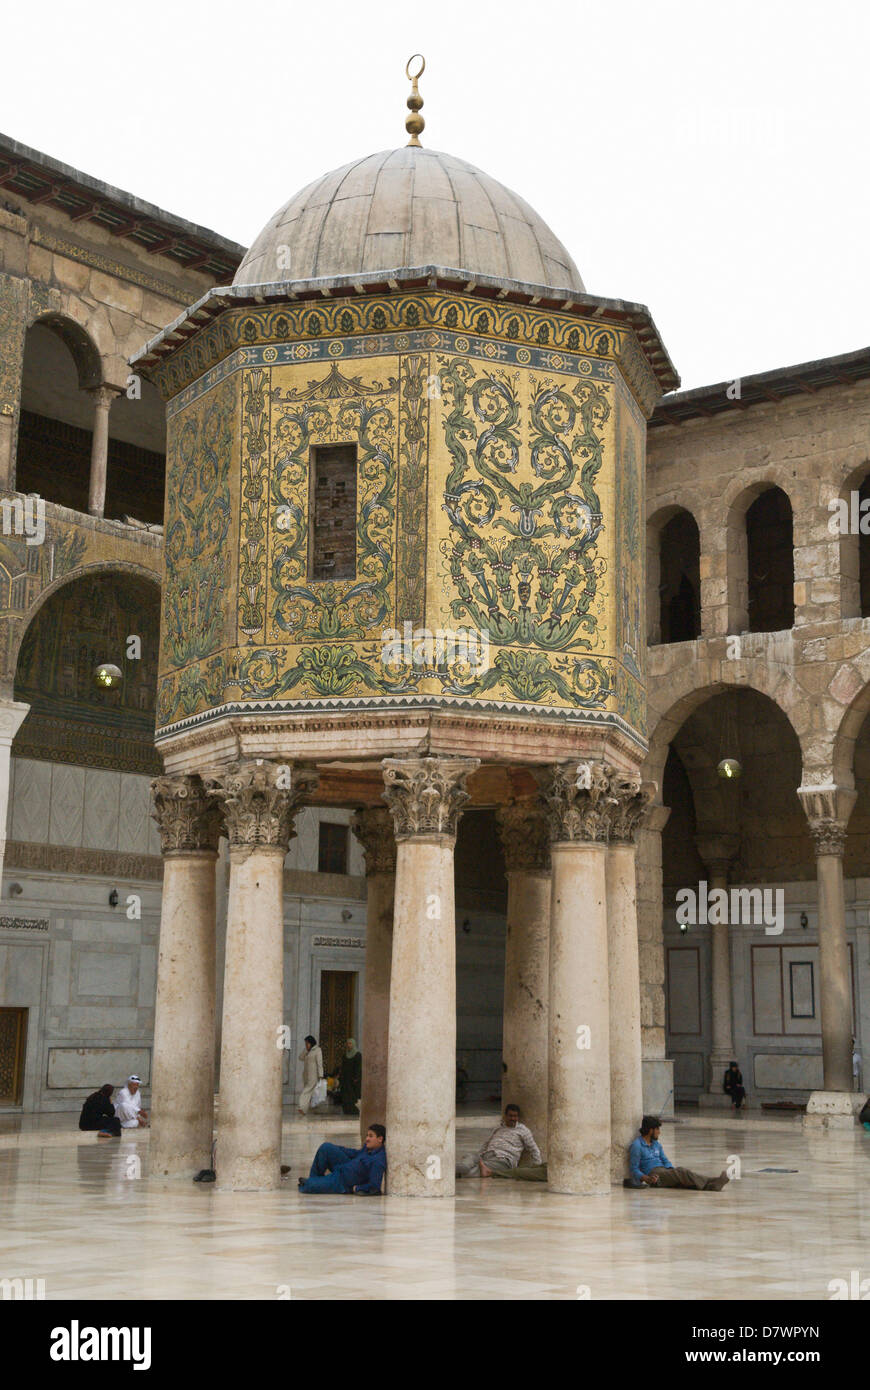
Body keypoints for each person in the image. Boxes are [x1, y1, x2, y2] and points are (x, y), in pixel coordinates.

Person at [625, 1116, 729, 1191]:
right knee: (682, 1172)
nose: (659, 1132)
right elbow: (634, 1168)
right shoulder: (637, 1145)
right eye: (657, 1129)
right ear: (650, 1130)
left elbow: (665, 1160)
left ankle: (713, 1185)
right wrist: (646, 1178)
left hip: (664, 1170)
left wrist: (671, 1170)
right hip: (654, 1175)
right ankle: (715, 1181)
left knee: (683, 1180)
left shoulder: (656, 1144)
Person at [456, 1104, 547, 1181]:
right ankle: (464, 1167)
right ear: (505, 1116)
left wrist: (537, 1166)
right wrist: (479, 1156)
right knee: (470, 1156)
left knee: (475, 1170)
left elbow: (534, 1149)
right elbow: (486, 1144)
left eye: (515, 1116)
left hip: (503, 1160)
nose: (513, 1118)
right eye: (510, 1116)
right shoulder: (498, 1128)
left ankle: (455, 1172)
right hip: (486, 1156)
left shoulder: (523, 1131)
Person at [298, 1125, 386, 1194]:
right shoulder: (367, 1148)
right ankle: (315, 1179)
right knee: (326, 1147)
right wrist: (337, 1148)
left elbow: (375, 1186)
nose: (367, 1139)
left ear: (380, 1139)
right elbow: (355, 1153)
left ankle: (313, 1182)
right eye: (367, 1135)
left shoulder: (377, 1161)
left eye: (371, 1136)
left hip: (343, 1182)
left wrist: (357, 1188)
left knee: (307, 1186)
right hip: (343, 1168)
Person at [298, 1035, 324, 1114]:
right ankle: (304, 1110)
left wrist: (321, 1075)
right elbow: (300, 1058)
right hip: (306, 1075)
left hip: (313, 1076)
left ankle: (301, 1106)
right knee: (308, 1093)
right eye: (305, 1043)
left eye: (307, 1043)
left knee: (306, 1092)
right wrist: (305, 1050)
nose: (306, 1045)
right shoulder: (307, 1051)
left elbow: (319, 1063)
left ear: (311, 1043)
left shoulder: (317, 1050)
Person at [338, 1038, 362, 1115]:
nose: (348, 1045)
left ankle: (354, 1111)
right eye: (347, 1043)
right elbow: (343, 1067)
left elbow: (358, 1067)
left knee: (353, 1096)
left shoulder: (358, 1055)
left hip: (353, 1079)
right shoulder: (345, 1055)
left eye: (350, 1043)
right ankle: (347, 1110)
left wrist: (356, 1077)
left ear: (353, 1044)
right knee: (346, 1095)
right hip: (345, 1079)